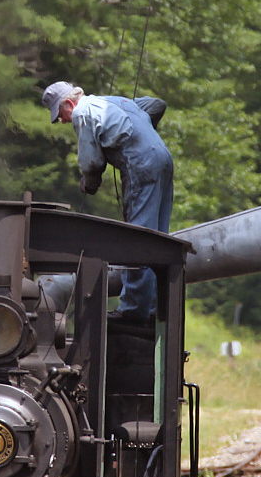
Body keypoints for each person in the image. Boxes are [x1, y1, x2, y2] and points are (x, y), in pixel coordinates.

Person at [41, 81, 174, 322]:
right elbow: (157, 105)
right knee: (159, 238)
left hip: (141, 164)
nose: (62, 121)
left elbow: (91, 163)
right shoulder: (113, 101)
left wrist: (89, 183)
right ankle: (154, 307)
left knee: (138, 237)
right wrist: (144, 130)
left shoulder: (82, 113)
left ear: (69, 104)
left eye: (60, 115)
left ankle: (133, 310)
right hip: (163, 158)